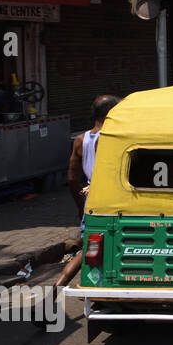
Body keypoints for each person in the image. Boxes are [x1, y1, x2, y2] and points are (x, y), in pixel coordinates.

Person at [55, 94, 120, 287]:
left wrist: (80, 205)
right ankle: (58, 287)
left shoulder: (80, 140)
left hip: (90, 198)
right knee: (88, 249)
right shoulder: (110, 138)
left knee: (87, 246)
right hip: (109, 199)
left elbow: (72, 178)